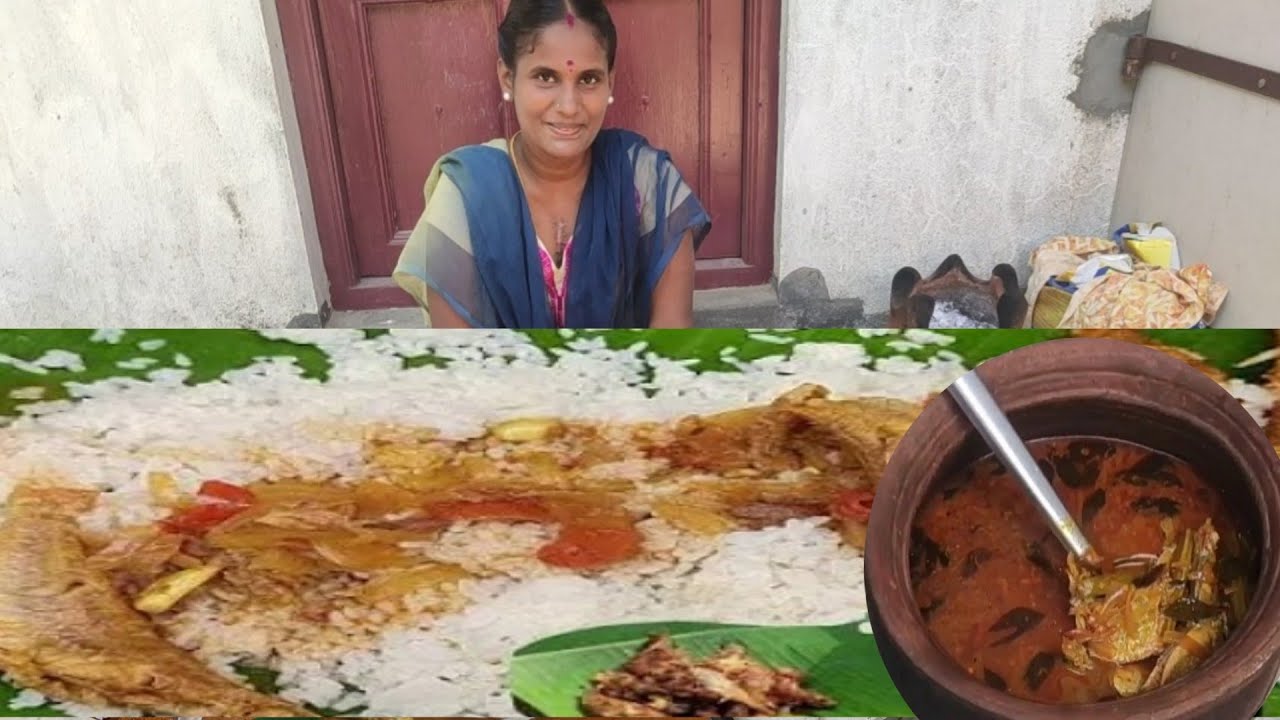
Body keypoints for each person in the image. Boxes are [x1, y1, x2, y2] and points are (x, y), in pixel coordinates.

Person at [393, 0, 711, 329]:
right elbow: (461, 364)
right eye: (546, 77)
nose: (569, 107)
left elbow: (672, 342)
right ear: (507, 78)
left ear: (610, 83)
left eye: (588, 79)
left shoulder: (646, 183)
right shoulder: (467, 195)